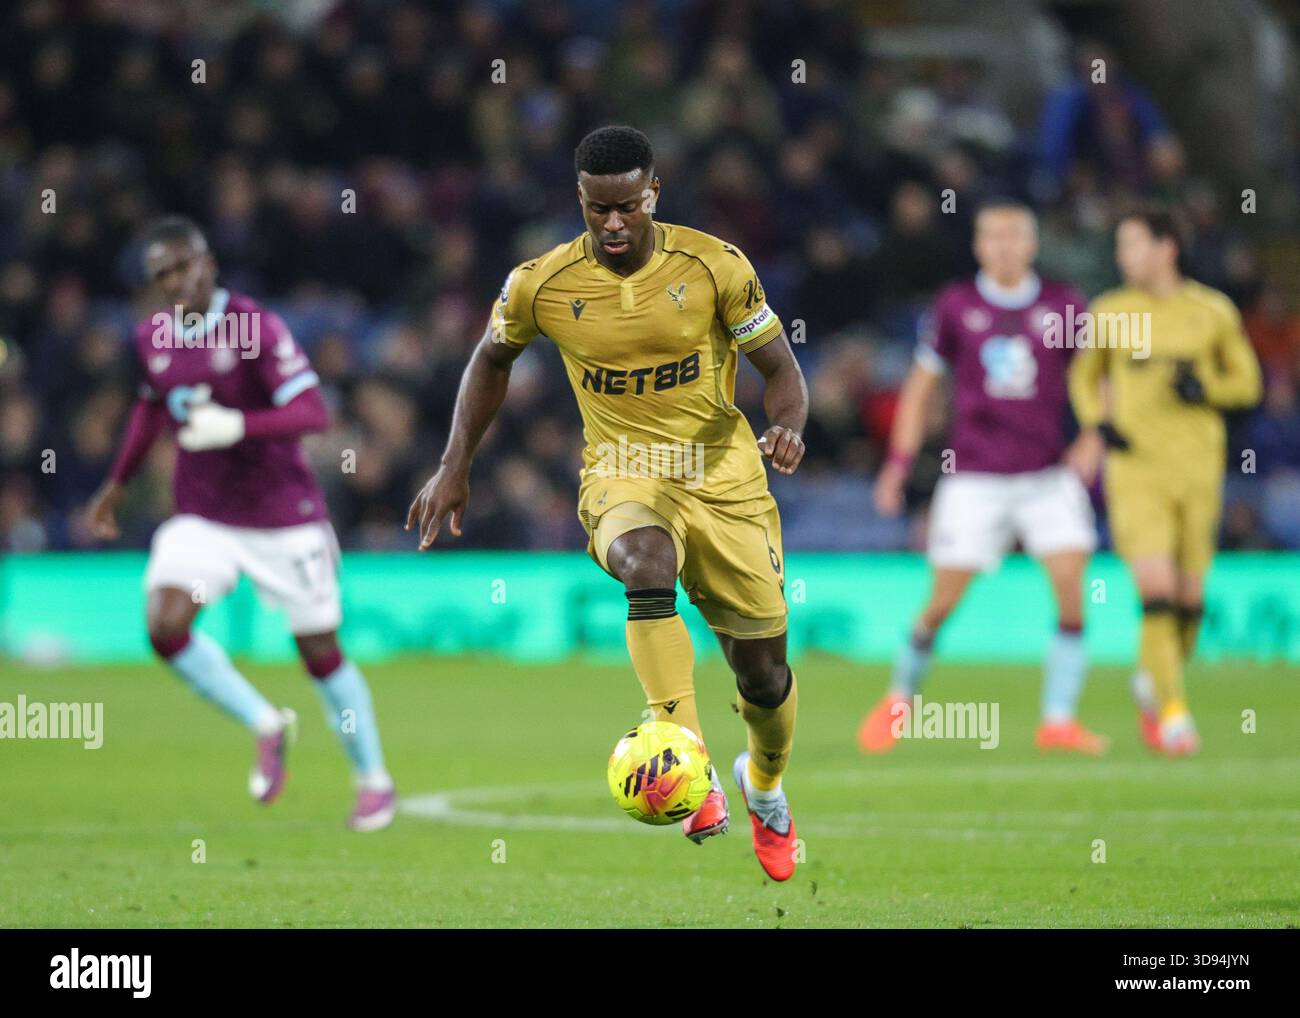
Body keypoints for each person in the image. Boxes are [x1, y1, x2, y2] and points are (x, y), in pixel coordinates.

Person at [406, 126, 809, 881]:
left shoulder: (716, 265)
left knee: (763, 676)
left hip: (723, 479)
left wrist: (786, 425)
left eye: (627, 206)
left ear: (652, 192)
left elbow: (780, 367)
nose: (614, 223)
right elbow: (490, 358)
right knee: (644, 563)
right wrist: (454, 463)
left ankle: (766, 785)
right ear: (580, 201)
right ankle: (689, 767)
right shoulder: (540, 283)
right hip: (622, 472)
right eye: (598, 210)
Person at [86, 216, 395, 830]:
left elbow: (311, 411)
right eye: (161, 274)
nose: (176, 280)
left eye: (184, 265)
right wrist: (116, 485)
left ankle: (373, 779)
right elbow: (151, 408)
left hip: (285, 519)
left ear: (209, 262)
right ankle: (263, 721)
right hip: (204, 518)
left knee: (319, 653)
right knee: (166, 625)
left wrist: (238, 426)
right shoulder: (153, 336)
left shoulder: (252, 327)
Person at [863, 201, 1108, 755]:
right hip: (973, 476)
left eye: (1013, 235)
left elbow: (1098, 377)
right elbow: (922, 388)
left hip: (1047, 474)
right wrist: (898, 465)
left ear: (1032, 243)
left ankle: (1059, 720)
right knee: (942, 602)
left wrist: (1094, 439)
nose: (1003, 245)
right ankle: (899, 698)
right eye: (992, 236)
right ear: (978, 246)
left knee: (1071, 584)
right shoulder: (956, 306)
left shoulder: (1063, 303)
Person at [1068, 208, 1261, 755]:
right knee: (1155, 594)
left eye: (1131, 245)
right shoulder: (1111, 312)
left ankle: (1152, 684)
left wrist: (1207, 390)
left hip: (1198, 470)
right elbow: (1085, 377)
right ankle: (1175, 715)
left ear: (1166, 248)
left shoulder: (1211, 311)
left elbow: (1246, 382)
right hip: (1136, 472)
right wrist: (1099, 424)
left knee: (1190, 603)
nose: (1121, 256)